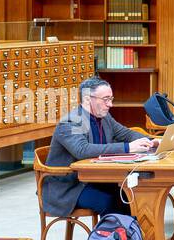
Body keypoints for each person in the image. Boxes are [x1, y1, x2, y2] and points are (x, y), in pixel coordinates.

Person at [42, 77, 158, 218]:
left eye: (111, 99)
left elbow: (125, 133)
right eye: (105, 99)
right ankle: (113, 238)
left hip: (96, 179)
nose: (110, 104)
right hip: (70, 188)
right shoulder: (71, 121)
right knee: (110, 201)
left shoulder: (104, 117)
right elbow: (82, 150)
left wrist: (152, 141)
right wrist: (128, 148)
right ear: (87, 99)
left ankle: (130, 235)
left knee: (131, 193)